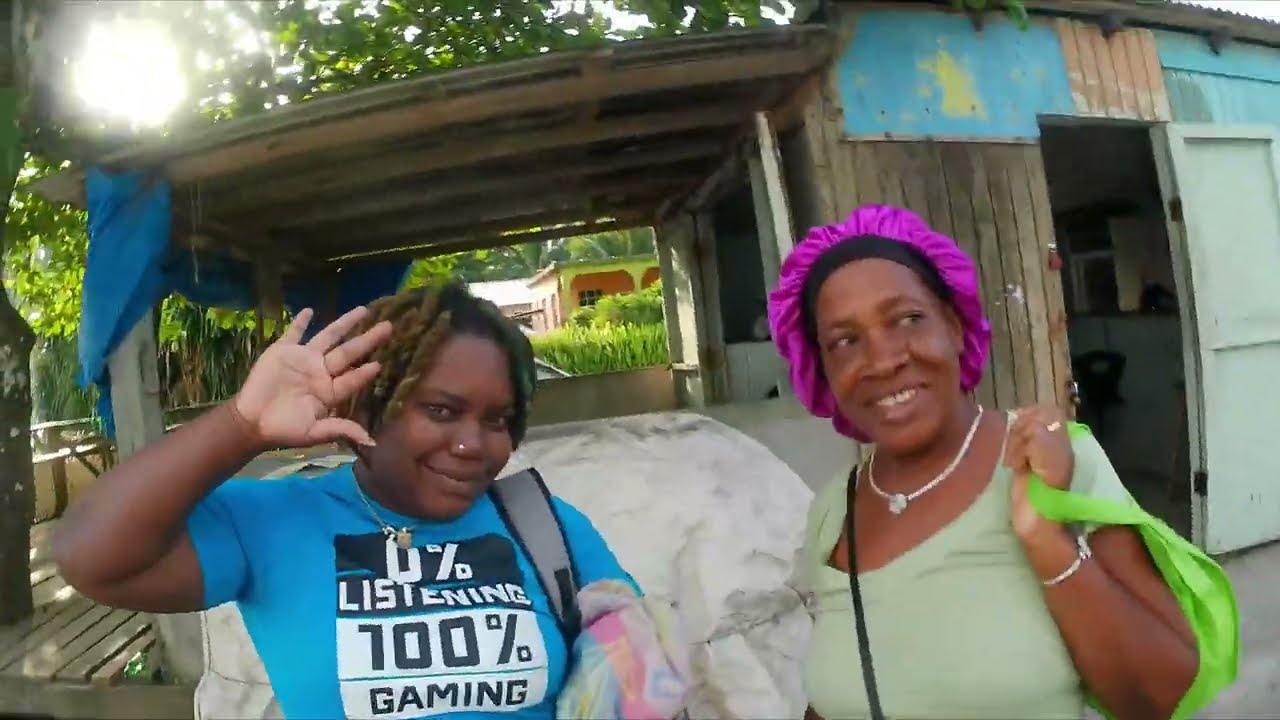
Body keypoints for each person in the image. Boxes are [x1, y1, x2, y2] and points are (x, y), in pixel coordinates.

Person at [53, 282, 637, 720]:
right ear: (365, 403)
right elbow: (88, 554)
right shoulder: (272, 523)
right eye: (440, 410)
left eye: (498, 420)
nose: (472, 444)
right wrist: (242, 425)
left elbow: (640, 689)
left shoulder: (546, 528)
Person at [768, 206, 1198, 720]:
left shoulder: (1057, 463)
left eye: (907, 319)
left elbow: (1157, 700)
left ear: (954, 325)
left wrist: (1045, 538)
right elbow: (845, 691)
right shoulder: (833, 509)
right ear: (823, 369)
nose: (882, 360)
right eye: (845, 341)